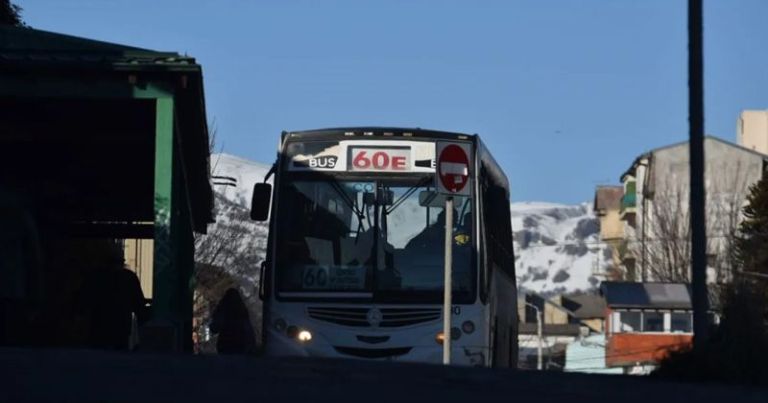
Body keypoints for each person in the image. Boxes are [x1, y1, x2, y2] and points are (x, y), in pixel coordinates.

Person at [77, 241, 149, 350]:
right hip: (121, 328)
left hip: (99, 327)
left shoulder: (96, 277)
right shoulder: (129, 278)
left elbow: (83, 303)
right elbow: (139, 307)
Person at [210, 288, 255, 354]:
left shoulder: (223, 311)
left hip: (225, 349)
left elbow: (214, 328)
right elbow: (249, 334)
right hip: (241, 351)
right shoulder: (242, 313)